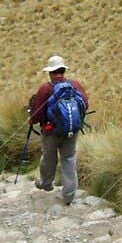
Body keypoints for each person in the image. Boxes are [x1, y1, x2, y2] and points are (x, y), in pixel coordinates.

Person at [27, 55, 88, 206]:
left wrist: (31, 120)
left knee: (49, 157)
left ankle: (46, 183)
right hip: (72, 129)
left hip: (50, 131)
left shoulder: (46, 88)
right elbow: (85, 103)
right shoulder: (74, 84)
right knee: (68, 158)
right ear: (63, 70)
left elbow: (37, 113)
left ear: (50, 72)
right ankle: (68, 195)